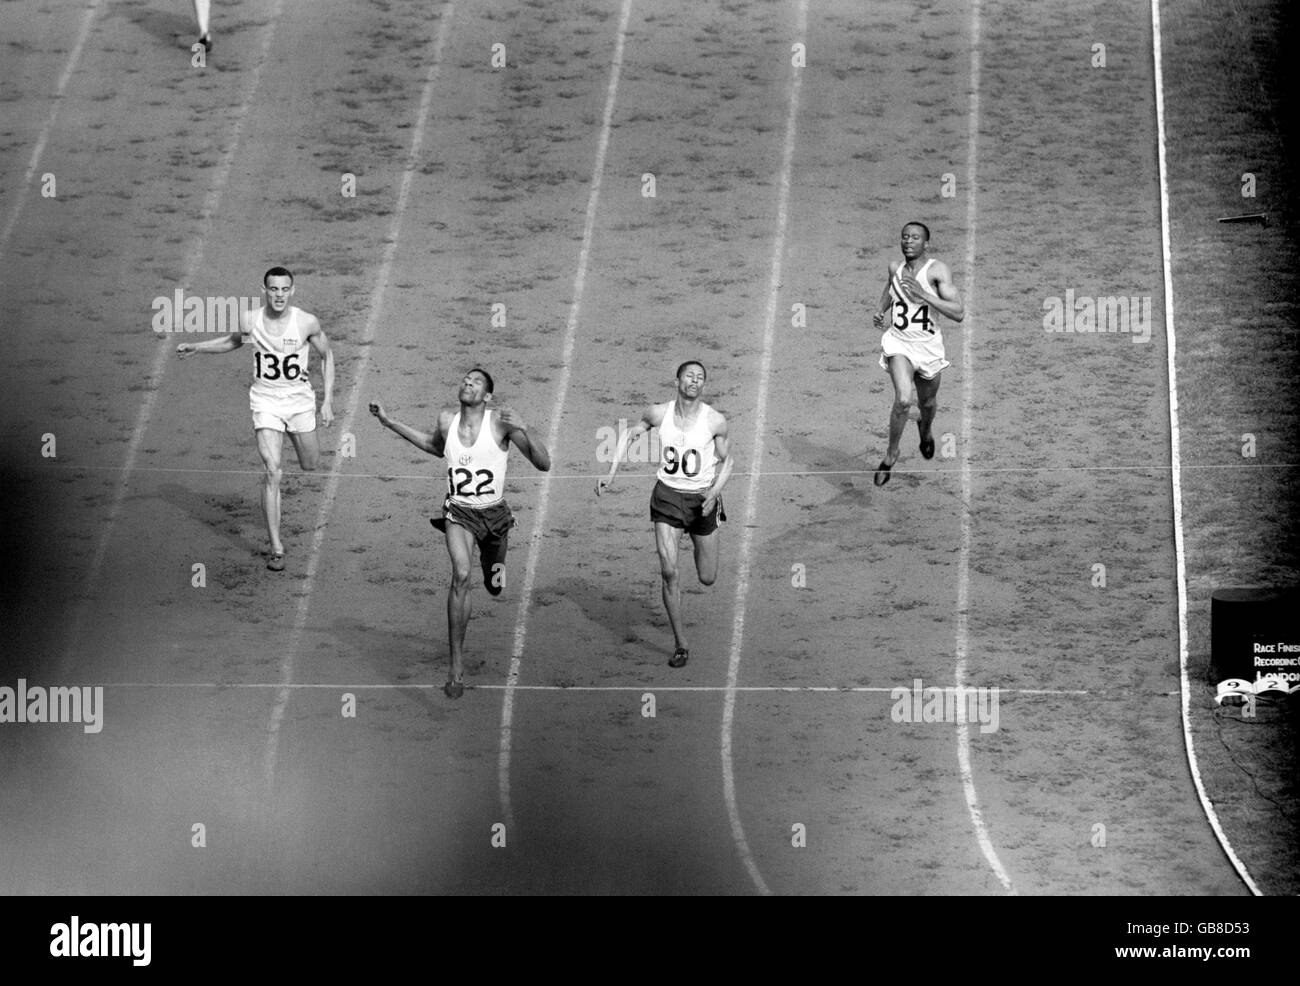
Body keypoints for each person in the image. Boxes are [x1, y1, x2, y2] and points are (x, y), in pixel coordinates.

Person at [369, 369, 550, 699]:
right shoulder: (446, 420)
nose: (468, 384)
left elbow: (544, 463)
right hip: (459, 513)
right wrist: (389, 422)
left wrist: (524, 426)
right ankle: (455, 667)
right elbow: (433, 446)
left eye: (476, 382)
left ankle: (494, 572)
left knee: (493, 583)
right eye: (466, 380)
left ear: (487, 396)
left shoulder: (501, 423)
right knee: (461, 575)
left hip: (494, 516)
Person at [177, 266, 335, 570]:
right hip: (266, 402)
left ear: (293, 290)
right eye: (273, 289)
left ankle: (294, 447)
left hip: (300, 402)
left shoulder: (306, 322)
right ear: (264, 290)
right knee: (273, 470)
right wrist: (197, 347)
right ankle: (276, 547)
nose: (279, 295)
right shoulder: (251, 319)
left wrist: (328, 400)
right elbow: (235, 341)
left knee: (310, 462)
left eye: (284, 289)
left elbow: (327, 355)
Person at [596, 360, 732, 668]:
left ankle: (703, 532)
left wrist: (713, 493)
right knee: (669, 571)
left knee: (708, 577)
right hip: (667, 498)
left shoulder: (715, 421)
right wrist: (611, 473)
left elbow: (729, 461)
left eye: (699, 377)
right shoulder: (659, 413)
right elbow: (631, 434)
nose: (693, 381)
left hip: (702, 501)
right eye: (688, 376)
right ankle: (681, 644)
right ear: (677, 381)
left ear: (704, 386)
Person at [870, 221, 965, 486]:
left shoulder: (937, 271)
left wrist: (926, 295)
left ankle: (925, 430)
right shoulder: (895, 268)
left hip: (928, 348)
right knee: (903, 400)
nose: (908, 241)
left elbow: (958, 312)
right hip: (899, 344)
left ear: (926, 243)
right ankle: (891, 454)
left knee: (927, 404)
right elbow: (891, 289)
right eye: (904, 237)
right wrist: (880, 309)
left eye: (914, 238)